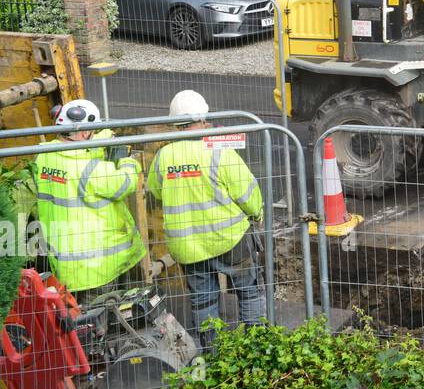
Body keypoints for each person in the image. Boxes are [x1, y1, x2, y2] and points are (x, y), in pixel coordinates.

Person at [147, 90, 265, 348]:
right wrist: (258, 214)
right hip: (229, 238)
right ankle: (257, 345)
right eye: (206, 119)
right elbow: (247, 192)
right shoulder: (217, 152)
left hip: (189, 247)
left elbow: (155, 191)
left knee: (203, 299)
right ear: (200, 120)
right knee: (248, 290)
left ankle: (214, 352)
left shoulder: (164, 156)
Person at [33, 98, 146, 300]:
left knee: (81, 322)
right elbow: (125, 183)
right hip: (98, 265)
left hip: (66, 264)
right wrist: (127, 161)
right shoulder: (91, 169)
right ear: (85, 133)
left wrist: (99, 136)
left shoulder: (43, 157)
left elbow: (79, 151)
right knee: (101, 321)